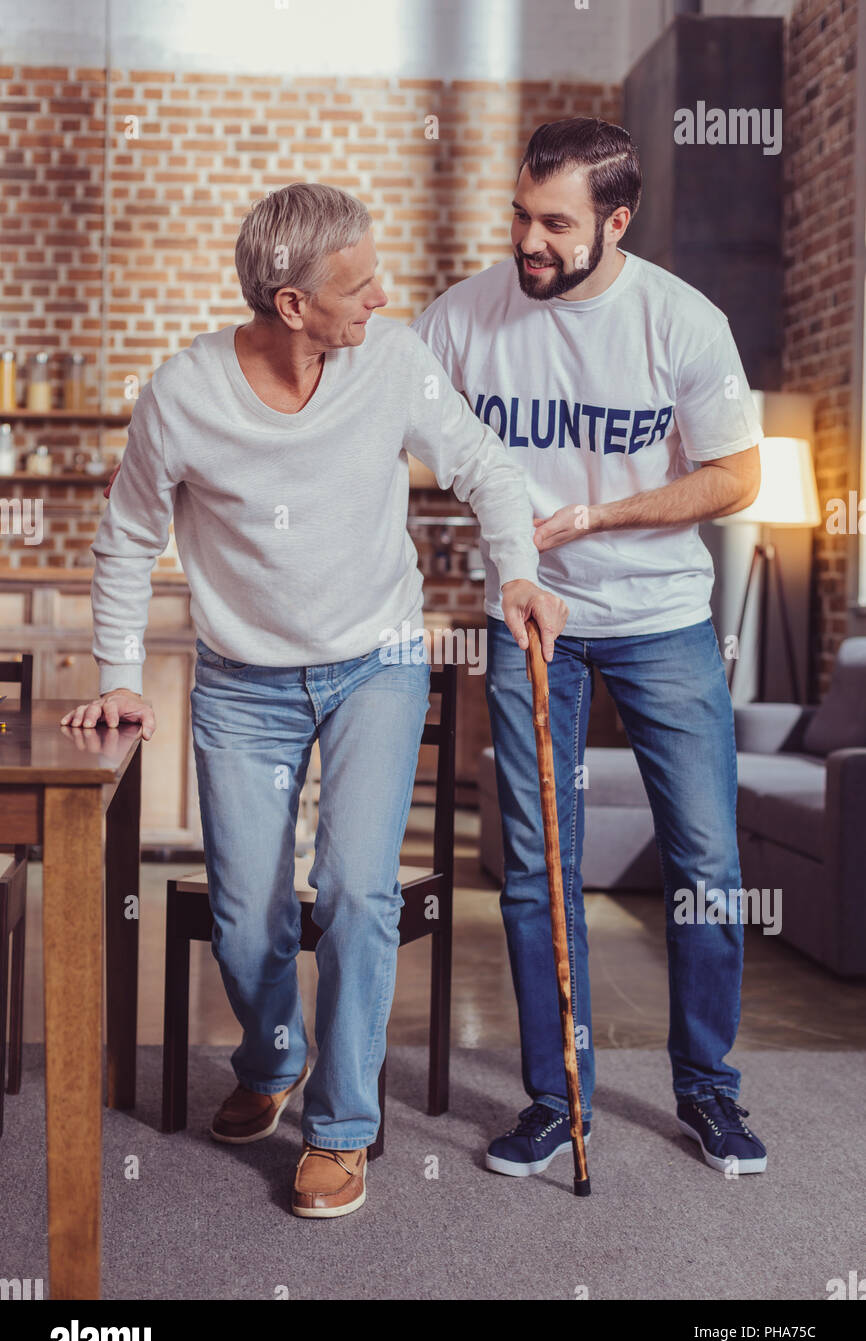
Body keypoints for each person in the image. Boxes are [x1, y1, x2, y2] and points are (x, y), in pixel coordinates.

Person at [61, 182, 566, 1218]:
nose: (381, 293)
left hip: (375, 663)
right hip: (240, 683)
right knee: (247, 914)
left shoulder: (388, 362)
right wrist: (118, 674)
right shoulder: (184, 394)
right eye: (356, 284)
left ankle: (340, 1127)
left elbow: (484, 468)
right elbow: (124, 539)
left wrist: (513, 568)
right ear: (289, 305)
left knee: (353, 888)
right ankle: (272, 1053)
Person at [412, 117, 769, 1179]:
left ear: (614, 221)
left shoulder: (681, 321)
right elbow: (387, 418)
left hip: (660, 617)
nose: (528, 238)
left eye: (554, 222)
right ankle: (553, 1096)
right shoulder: (464, 316)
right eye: (520, 213)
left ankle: (706, 1090)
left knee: (704, 860)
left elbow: (734, 476)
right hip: (529, 618)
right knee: (534, 865)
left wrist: (602, 518)